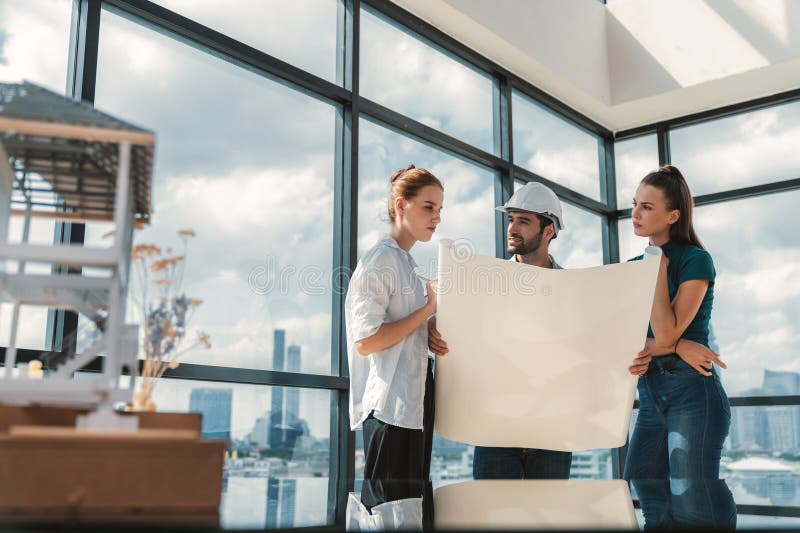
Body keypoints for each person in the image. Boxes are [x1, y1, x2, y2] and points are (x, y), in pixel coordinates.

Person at [429, 181, 572, 480]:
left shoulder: (573, 292)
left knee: (547, 518)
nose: (512, 228)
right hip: (495, 430)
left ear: (549, 231)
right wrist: (436, 330)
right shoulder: (487, 286)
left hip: (551, 430)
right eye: (510, 220)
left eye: (523, 221)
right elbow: (464, 338)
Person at [623, 165, 734, 529]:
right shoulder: (631, 267)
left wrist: (655, 270)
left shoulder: (695, 260)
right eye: (635, 204)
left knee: (693, 501)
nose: (636, 214)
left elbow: (666, 332)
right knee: (646, 489)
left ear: (673, 215)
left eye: (647, 207)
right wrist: (679, 344)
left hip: (692, 391)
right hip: (651, 394)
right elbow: (618, 338)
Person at [346, 164, 443, 482]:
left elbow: (403, 328)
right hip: (390, 410)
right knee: (389, 511)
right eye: (429, 207)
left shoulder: (407, 265)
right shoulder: (381, 260)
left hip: (413, 406)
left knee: (410, 511)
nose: (437, 218)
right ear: (401, 205)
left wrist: (427, 329)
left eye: (440, 209)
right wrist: (428, 308)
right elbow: (367, 340)